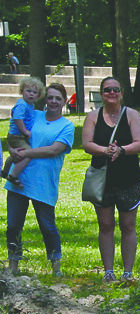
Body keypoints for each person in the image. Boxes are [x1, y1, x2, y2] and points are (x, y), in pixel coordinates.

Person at [81, 77, 140, 282]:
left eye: (116, 89)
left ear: (122, 93)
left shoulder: (132, 115)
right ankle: (108, 272)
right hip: (103, 179)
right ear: (101, 94)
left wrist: (121, 150)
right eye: (107, 90)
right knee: (106, 225)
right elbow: (86, 144)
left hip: (128, 177)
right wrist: (105, 150)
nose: (112, 93)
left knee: (128, 225)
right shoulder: (93, 116)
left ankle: (128, 273)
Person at [4, 83, 74, 277]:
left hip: (43, 183)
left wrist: (26, 152)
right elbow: (14, 134)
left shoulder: (66, 126)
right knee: (13, 226)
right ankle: (13, 265)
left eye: (58, 98)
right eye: (50, 97)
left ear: (64, 101)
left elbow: (54, 150)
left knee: (47, 226)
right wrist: (12, 149)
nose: (53, 101)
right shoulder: (32, 115)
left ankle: (56, 266)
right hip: (18, 180)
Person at [2, 76, 44, 187]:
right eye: (28, 91)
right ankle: (13, 175)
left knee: (17, 154)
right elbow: (17, 118)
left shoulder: (30, 105)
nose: (31, 94)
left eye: (34, 92)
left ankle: (5, 171)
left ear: (38, 95)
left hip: (18, 136)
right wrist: (25, 131)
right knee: (28, 153)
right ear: (21, 91)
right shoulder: (22, 104)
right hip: (17, 135)